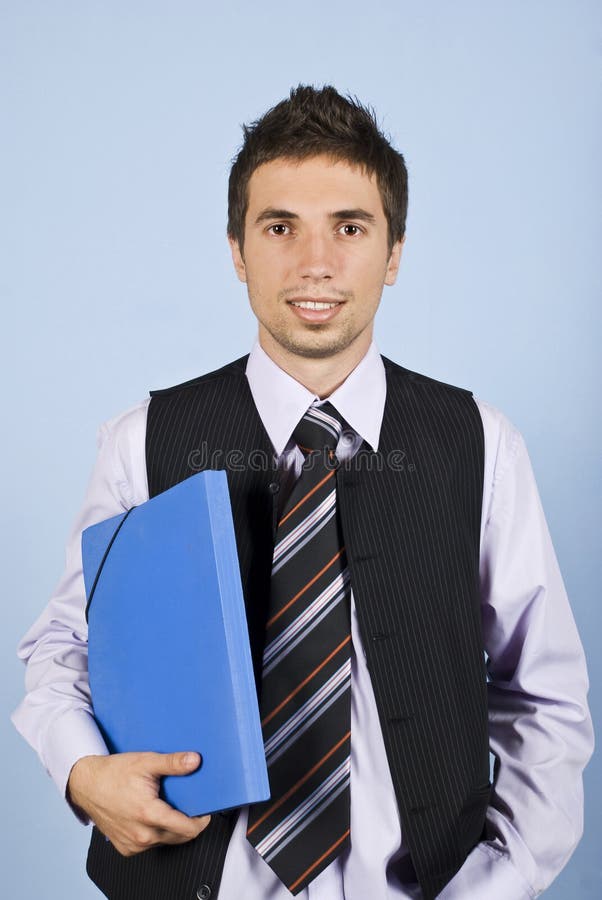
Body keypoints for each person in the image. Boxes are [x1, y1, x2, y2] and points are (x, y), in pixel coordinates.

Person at [12, 84, 593, 900]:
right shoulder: (141, 438)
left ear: (394, 253)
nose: (314, 264)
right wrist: (81, 772)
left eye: (349, 228)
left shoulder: (480, 442)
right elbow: (61, 651)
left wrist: (493, 888)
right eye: (279, 227)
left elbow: (545, 698)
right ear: (237, 250)